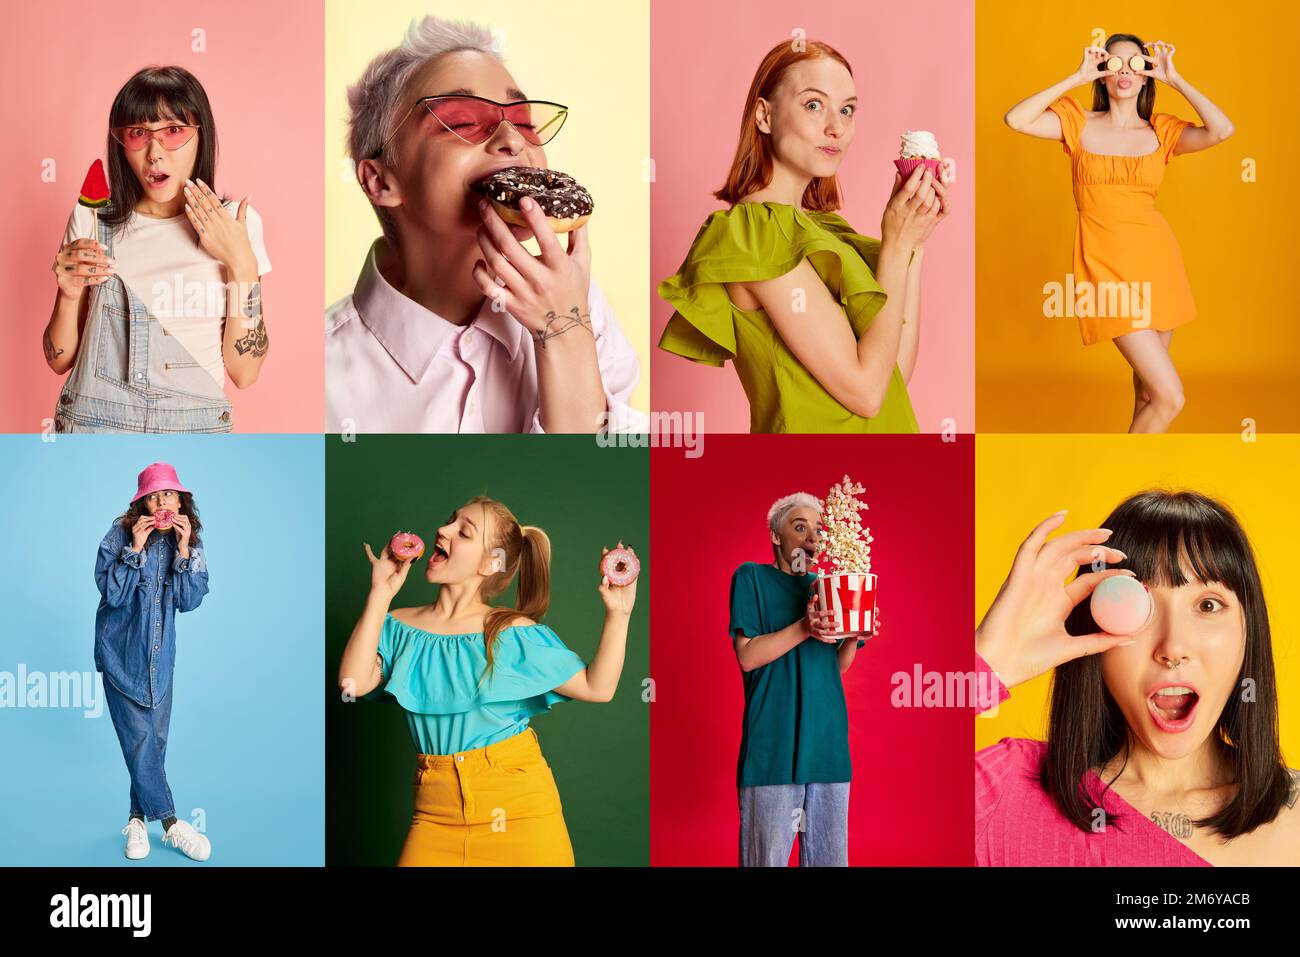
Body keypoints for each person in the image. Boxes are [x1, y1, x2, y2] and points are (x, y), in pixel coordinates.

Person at [327, 15, 644, 434]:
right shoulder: (325, 370)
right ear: (380, 180)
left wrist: (566, 334)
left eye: (526, 123)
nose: (513, 139)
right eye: (461, 122)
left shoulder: (585, 309)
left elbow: (599, 481)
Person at [975, 492, 1299, 865]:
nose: (1173, 646)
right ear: (1094, 632)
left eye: (1208, 605)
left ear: (1248, 631)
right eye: (1135, 606)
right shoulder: (1001, 795)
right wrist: (982, 666)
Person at [658, 39, 952, 433]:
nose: (836, 127)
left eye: (847, 110)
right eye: (814, 105)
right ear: (764, 115)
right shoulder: (753, 234)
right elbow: (864, 392)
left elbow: (892, 373)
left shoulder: (829, 233)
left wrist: (914, 243)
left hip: (877, 471)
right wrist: (896, 247)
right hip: (810, 470)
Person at [338, 496, 637, 865]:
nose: (442, 530)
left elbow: (598, 687)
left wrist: (619, 614)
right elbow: (352, 682)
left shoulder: (510, 632)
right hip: (435, 817)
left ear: (490, 563)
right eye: (450, 520)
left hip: (521, 813)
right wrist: (380, 594)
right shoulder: (398, 626)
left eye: (463, 532)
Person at [1004, 36, 1234, 433]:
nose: (1125, 70)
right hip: (1105, 270)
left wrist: (1175, 78)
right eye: (1116, 63)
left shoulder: (1162, 131)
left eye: (1136, 64)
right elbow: (1016, 119)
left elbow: (1222, 130)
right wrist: (1075, 76)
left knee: (1147, 395)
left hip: (1158, 266)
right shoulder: (1076, 122)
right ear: (1103, 75)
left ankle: (1130, 477)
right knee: (1170, 397)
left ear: (1146, 77)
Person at [45, 65, 272, 433]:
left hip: (196, 428)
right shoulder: (92, 219)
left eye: (173, 131)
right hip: (95, 425)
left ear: (202, 136)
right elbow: (59, 360)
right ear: (121, 141)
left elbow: (245, 373)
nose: (154, 153)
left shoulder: (236, 225)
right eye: (138, 133)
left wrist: (242, 263)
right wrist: (68, 293)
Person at [728, 492, 876, 865]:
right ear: (776, 535)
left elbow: (835, 667)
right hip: (772, 750)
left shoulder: (828, 585)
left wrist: (855, 635)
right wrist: (807, 626)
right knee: (767, 860)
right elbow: (748, 658)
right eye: (799, 526)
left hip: (828, 749)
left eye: (818, 529)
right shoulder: (751, 577)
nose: (812, 536)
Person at [95, 462, 212, 860]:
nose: (162, 501)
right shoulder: (120, 536)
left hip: (160, 664)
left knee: (153, 745)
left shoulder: (190, 543)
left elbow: (190, 600)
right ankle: (172, 824)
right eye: (154, 495)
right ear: (142, 503)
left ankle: (135, 822)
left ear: (181, 501)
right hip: (119, 657)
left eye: (170, 494)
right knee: (142, 742)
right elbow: (111, 594)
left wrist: (183, 551)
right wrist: (135, 551)